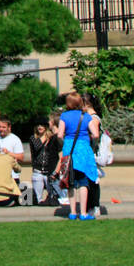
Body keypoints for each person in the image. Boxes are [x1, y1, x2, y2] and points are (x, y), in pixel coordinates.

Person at [54, 91, 100, 220]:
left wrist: (66, 144)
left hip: (69, 150)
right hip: (83, 150)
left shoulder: (64, 116)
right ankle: (84, 213)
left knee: (71, 182)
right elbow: (96, 134)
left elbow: (59, 135)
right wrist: (91, 143)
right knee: (83, 182)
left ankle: (73, 212)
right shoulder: (85, 117)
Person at [29, 120, 63, 205]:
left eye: (42, 125)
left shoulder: (52, 139)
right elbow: (37, 146)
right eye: (38, 125)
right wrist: (46, 137)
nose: (39, 127)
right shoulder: (33, 138)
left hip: (49, 170)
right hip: (38, 170)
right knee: (38, 198)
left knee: (52, 194)